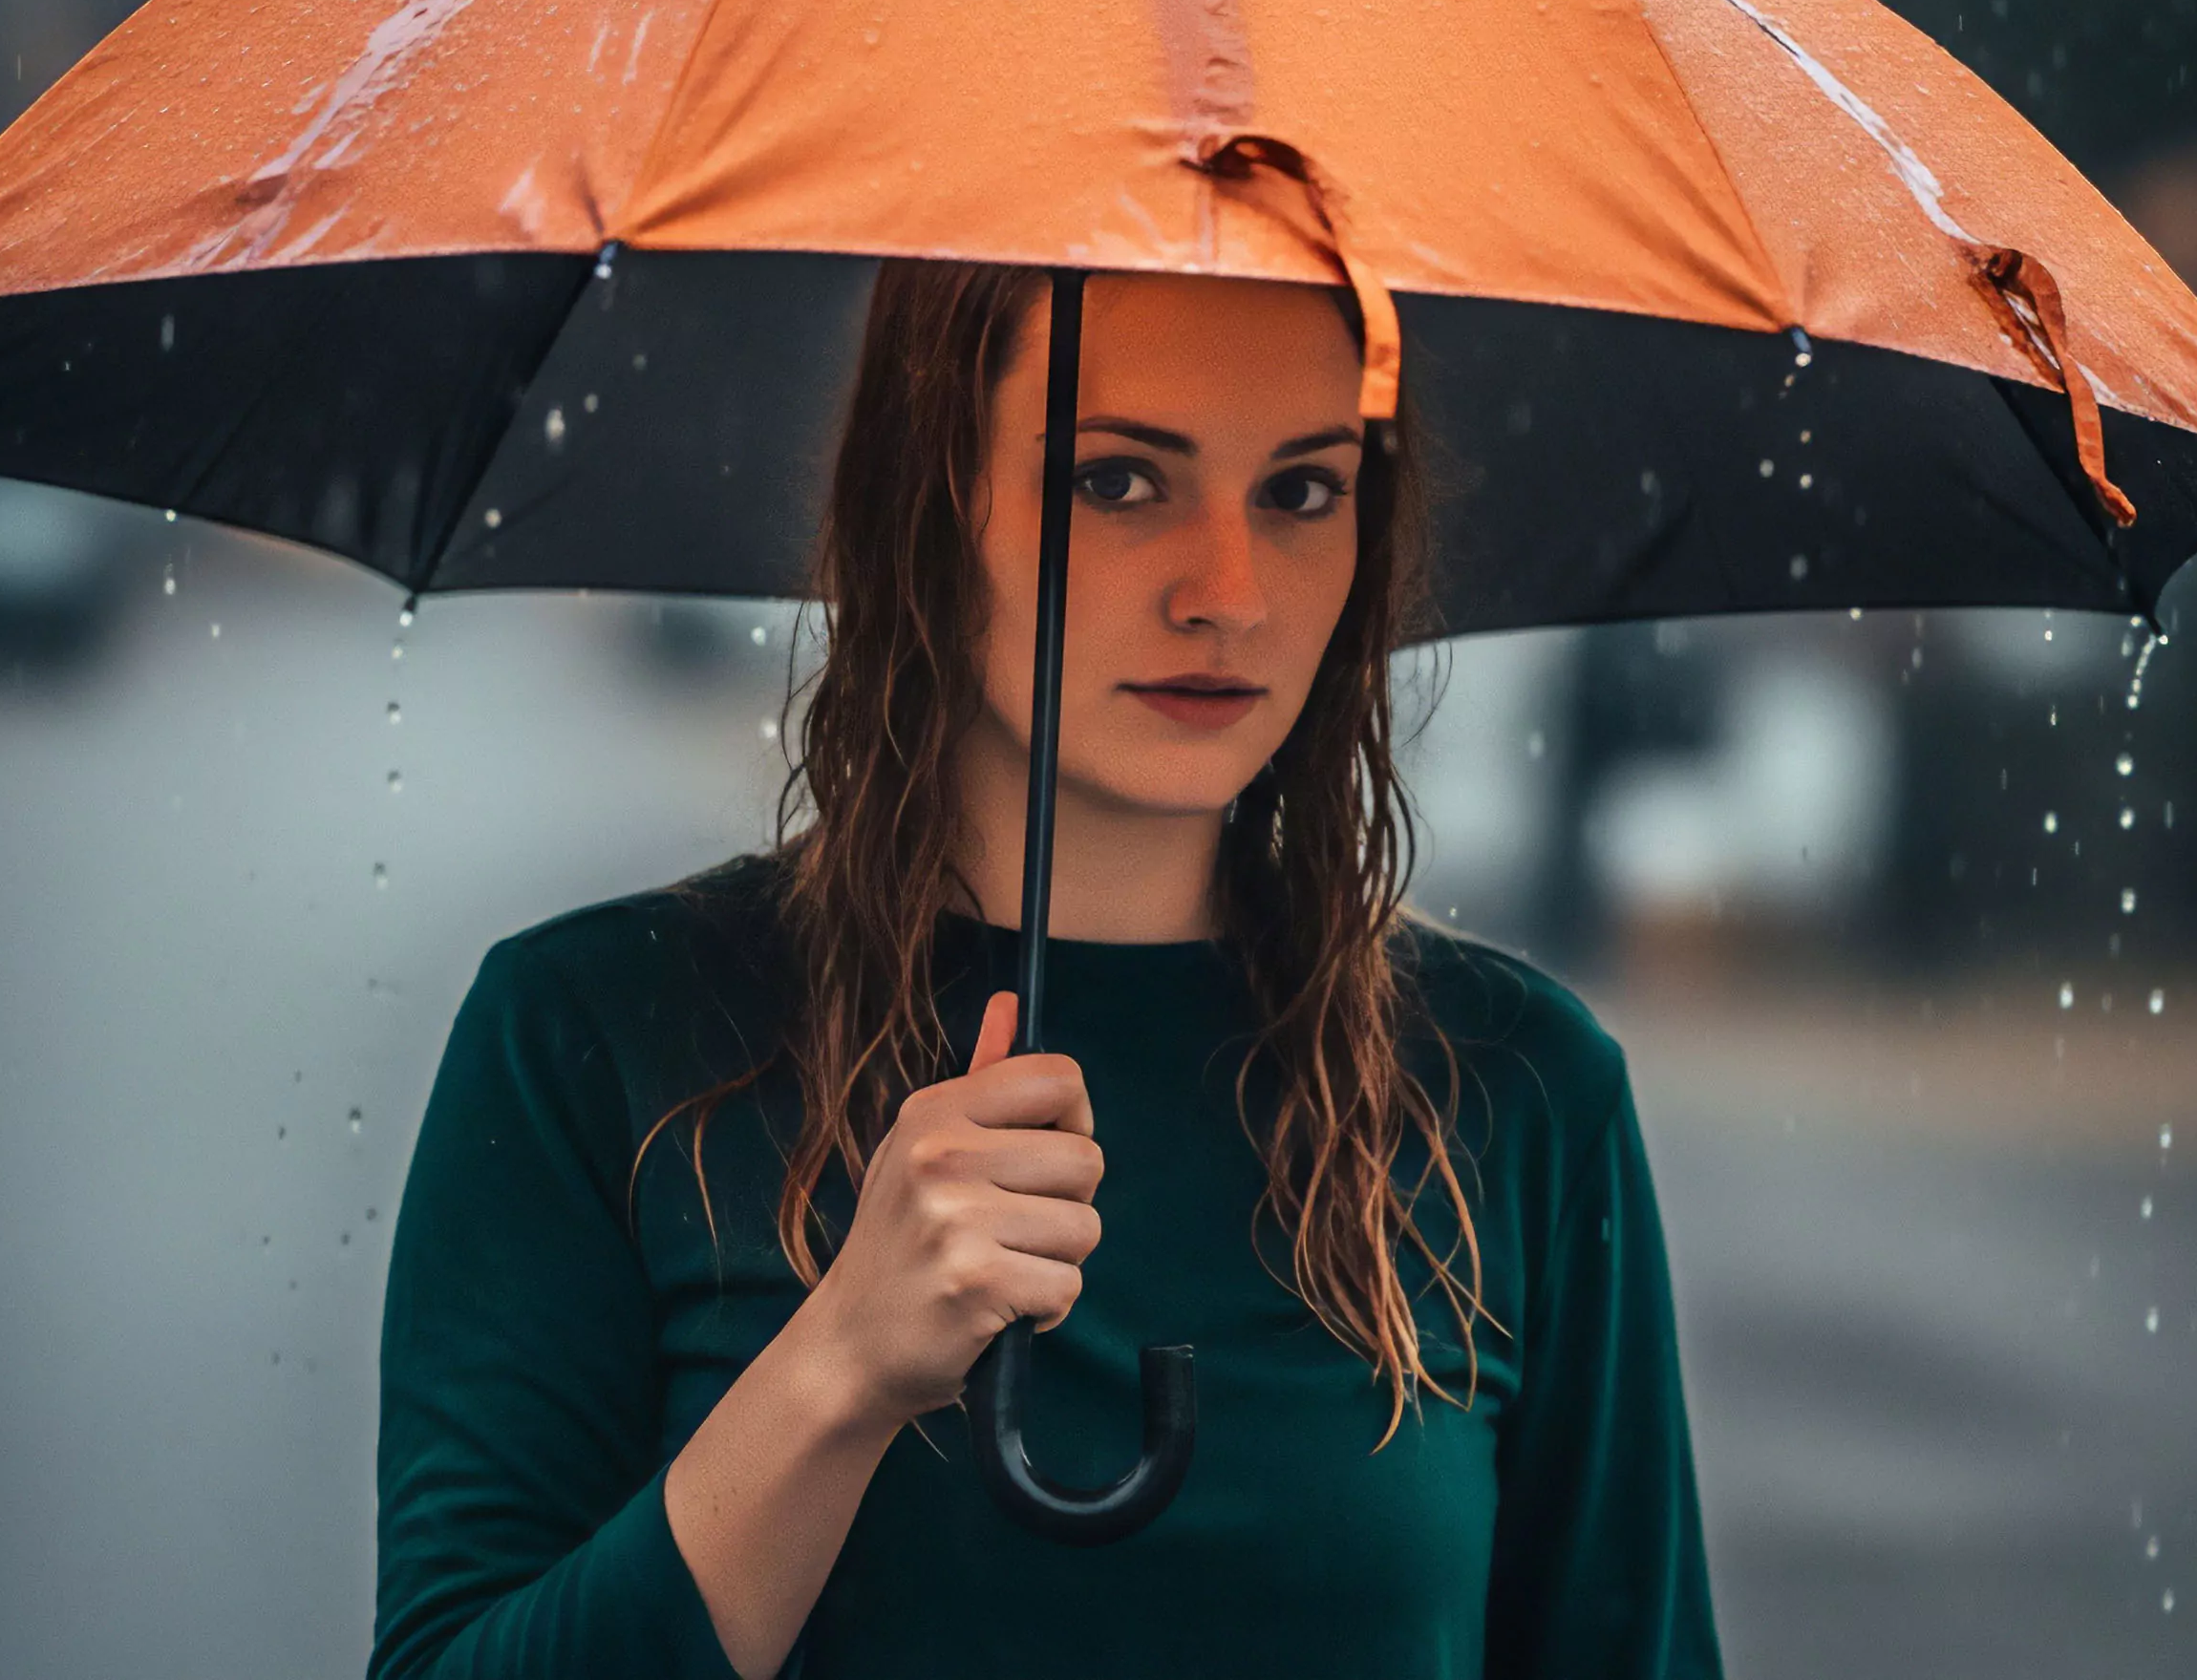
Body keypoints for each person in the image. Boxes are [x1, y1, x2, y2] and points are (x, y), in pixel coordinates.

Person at [373, 265, 1718, 1679]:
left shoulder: (1516, 1092)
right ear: (931, 503)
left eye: (1302, 491)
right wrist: (840, 1367)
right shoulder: (602, 1036)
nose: (1230, 592)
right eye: (1119, 481)